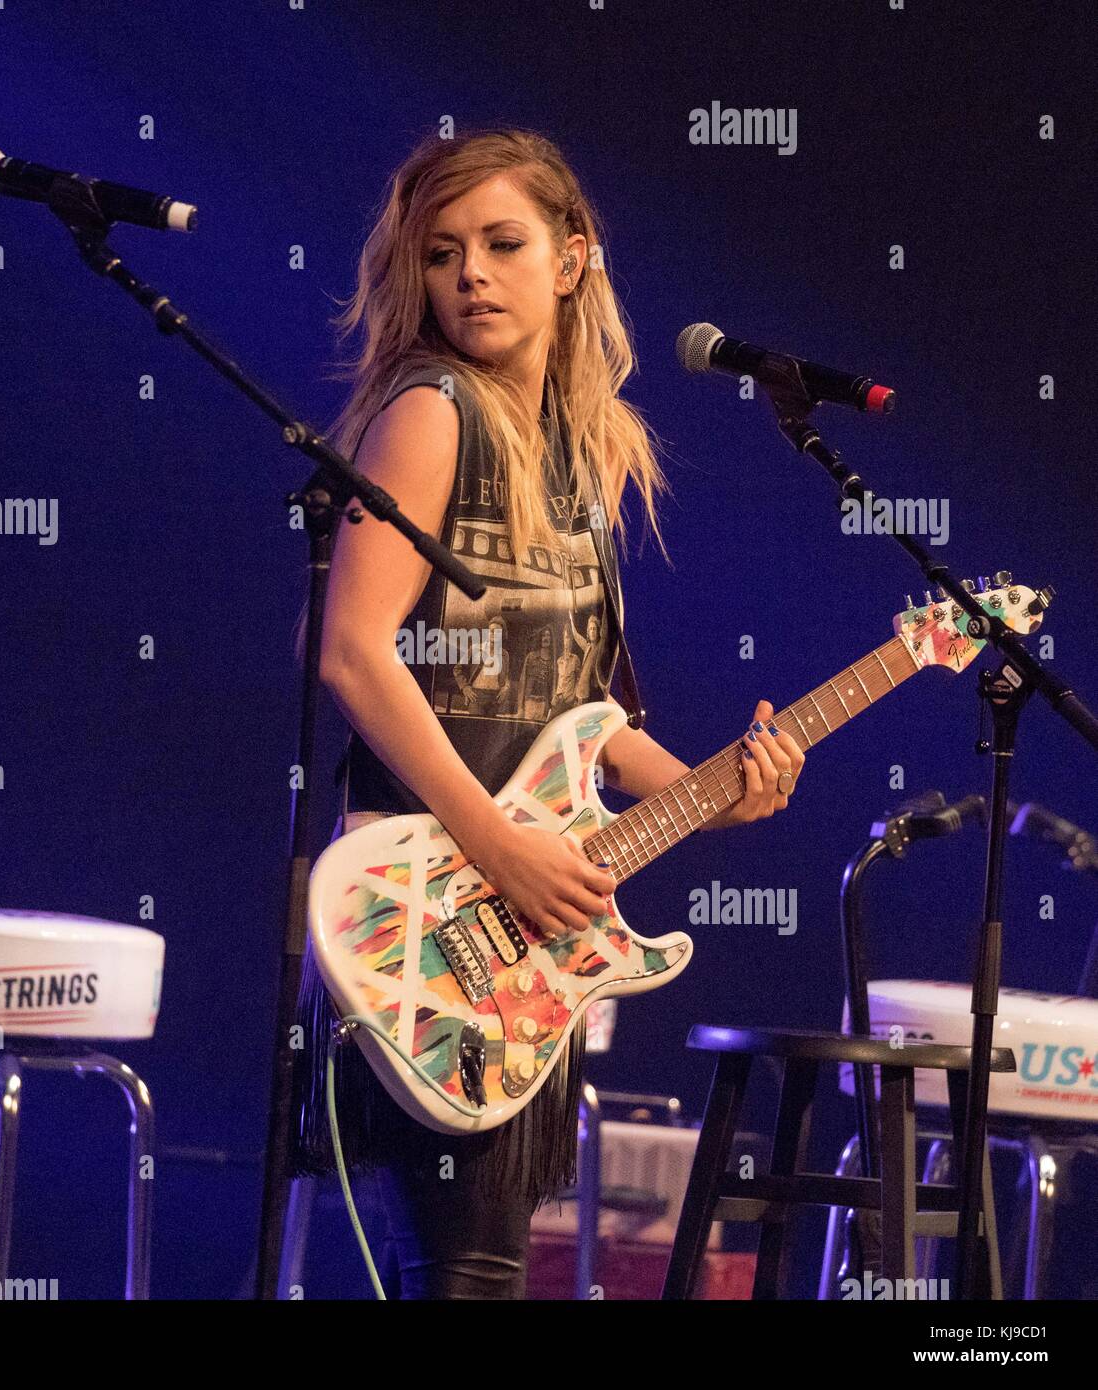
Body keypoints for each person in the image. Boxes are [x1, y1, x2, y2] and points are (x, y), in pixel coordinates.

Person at [287, 127, 806, 1299]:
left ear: (573, 258)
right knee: (465, 1268)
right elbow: (355, 657)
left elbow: (577, 713)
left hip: (519, 910)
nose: (467, 273)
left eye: (501, 243)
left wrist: (712, 795)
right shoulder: (430, 412)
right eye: (440, 252)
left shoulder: (582, 452)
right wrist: (501, 846)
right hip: (428, 893)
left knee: (482, 1265)